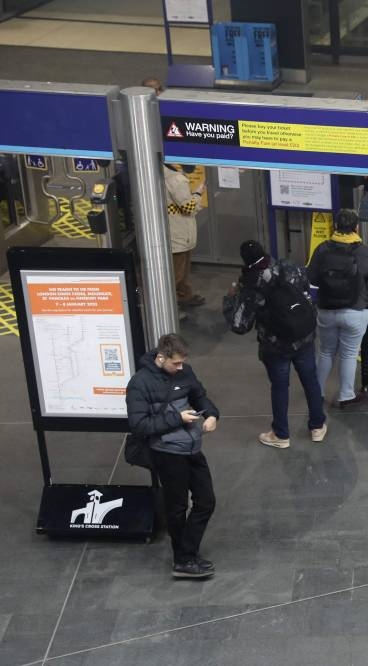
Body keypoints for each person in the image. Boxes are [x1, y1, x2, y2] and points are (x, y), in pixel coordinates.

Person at [126, 333, 220, 579]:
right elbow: (139, 425)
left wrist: (212, 414)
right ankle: (184, 559)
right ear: (161, 358)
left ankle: (185, 553)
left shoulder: (185, 372)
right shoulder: (140, 383)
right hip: (167, 453)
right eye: (175, 363)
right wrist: (177, 418)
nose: (180, 368)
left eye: (182, 363)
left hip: (191, 447)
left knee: (206, 501)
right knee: (177, 507)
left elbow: (200, 396)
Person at [224, 240, 327, 448]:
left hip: (276, 345)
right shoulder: (288, 267)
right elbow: (306, 288)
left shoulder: (250, 286)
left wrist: (230, 298)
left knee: (280, 387)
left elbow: (240, 325)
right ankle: (317, 426)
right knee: (310, 381)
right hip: (303, 337)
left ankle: (281, 435)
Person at [307, 209, 368, 408]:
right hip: (355, 311)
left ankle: (317, 393)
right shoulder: (364, 251)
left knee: (325, 352)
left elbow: (312, 277)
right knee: (349, 354)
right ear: (356, 227)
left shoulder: (322, 249)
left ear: (335, 226)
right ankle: (346, 395)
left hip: (326, 309)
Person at [162, 163, 205, 311]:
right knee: (177, 273)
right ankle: (172, 309)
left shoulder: (162, 174)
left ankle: (184, 296)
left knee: (181, 270)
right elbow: (188, 208)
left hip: (177, 232)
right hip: (179, 233)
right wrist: (198, 194)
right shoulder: (176, 180)